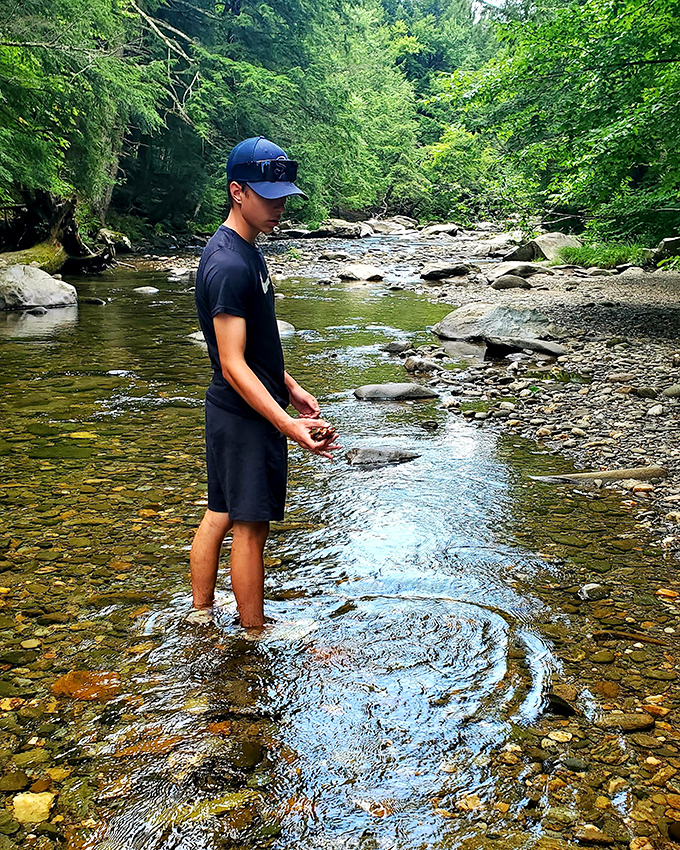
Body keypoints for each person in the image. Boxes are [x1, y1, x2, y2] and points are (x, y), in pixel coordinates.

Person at [190, 136, 339, 628]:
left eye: (283, 196)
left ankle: (200, 615)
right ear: (237, 191)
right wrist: (288, 424)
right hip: (244, 414)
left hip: (236, 409)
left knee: (221, 513)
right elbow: (232, 363)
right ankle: (253, 633)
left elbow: (254, 347)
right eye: (268, 195)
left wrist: (290, 387)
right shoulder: (230, 264)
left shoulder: (245, 251)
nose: (278, 206)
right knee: (250, 528)